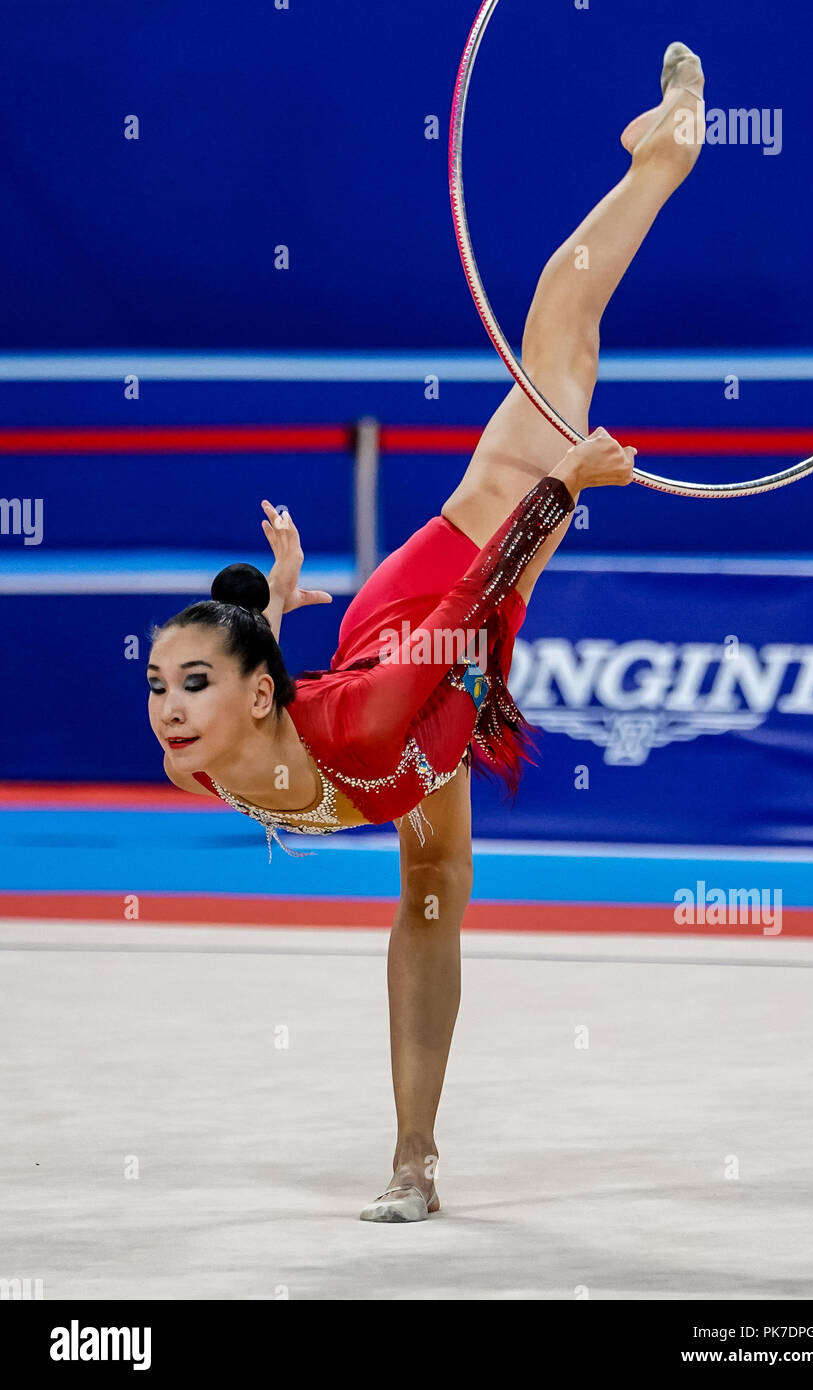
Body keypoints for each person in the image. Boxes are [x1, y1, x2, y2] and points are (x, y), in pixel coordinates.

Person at [147, 42, 705, 1221]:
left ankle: (670, 151)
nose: (165, 708)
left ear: (256, 694)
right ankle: (416, 1158)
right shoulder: (198, 761)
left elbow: (463, 614)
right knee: (436, 882)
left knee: (564, 308)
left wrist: (560, 489)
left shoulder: (347, 712)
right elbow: (266, 671)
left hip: (441, 601)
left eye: (186, 684)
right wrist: (271, 607)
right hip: (407, 689)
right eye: (161, 686)